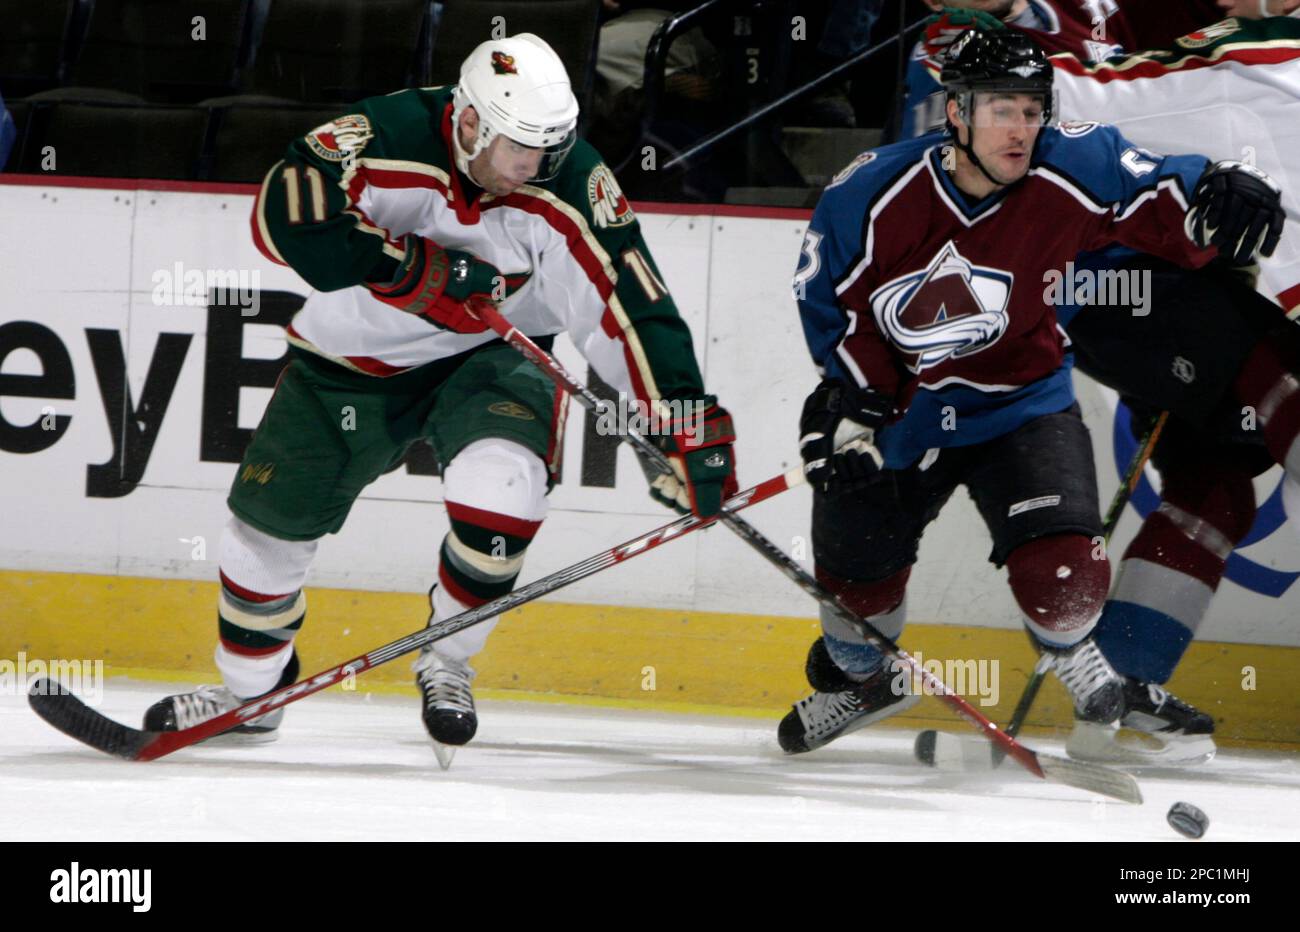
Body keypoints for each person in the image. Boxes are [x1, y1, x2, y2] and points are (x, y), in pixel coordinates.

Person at [142, 34, 738, 762]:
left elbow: (631, 306)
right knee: (262, 540)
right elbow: (284, 217)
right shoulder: (385, 134)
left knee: (506, 492)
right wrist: (410, 271)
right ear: (469, 122)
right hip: (347, 362)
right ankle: (249, 697)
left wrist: (684, 424)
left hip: (490, 360)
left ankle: (448, 662)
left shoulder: (570, 184)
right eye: (520, 147)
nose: (535, 167)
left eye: (549, 149)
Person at [780, 28, 1283, 754]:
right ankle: (865, 678)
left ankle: (1074, 649)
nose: (1021, 130)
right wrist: (853, 405)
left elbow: (1155, 187)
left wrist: (1215, 194)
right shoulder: (868, 195)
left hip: (1021, 403)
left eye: (1031, 110)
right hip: (905, 412)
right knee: (855, 590)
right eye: (1000, 111)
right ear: (955, 113)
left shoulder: (1069, 160)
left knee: (1067, 581)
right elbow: (833, 306)